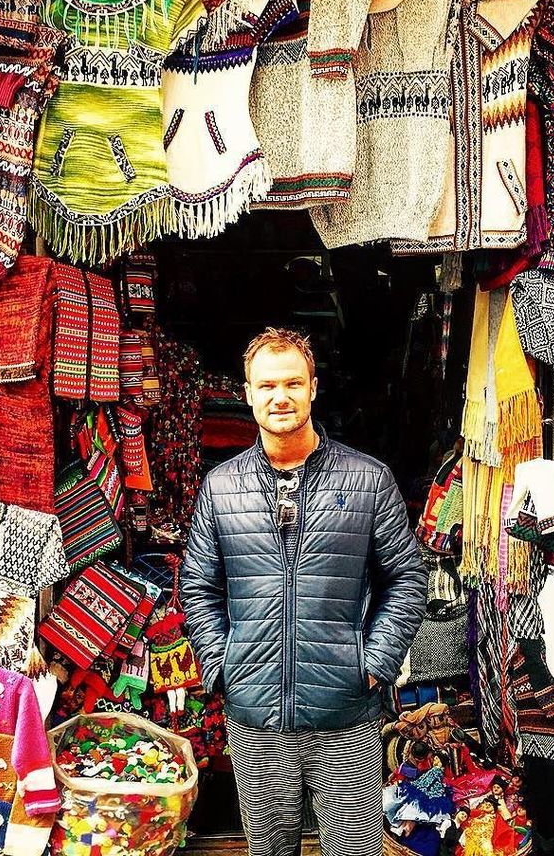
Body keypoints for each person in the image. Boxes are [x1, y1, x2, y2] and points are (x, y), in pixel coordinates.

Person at [181, 327, 428, 856]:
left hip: (346, 711)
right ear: (246, 392)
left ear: (314, 387)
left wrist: (376, 659)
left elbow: (406, 578)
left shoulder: (367, 479)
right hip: (257, 713)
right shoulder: (222, 486)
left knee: (354, 848)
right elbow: (199, 586)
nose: (280, 397)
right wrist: (220, 661)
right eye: (266, 385)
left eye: (293, 383)